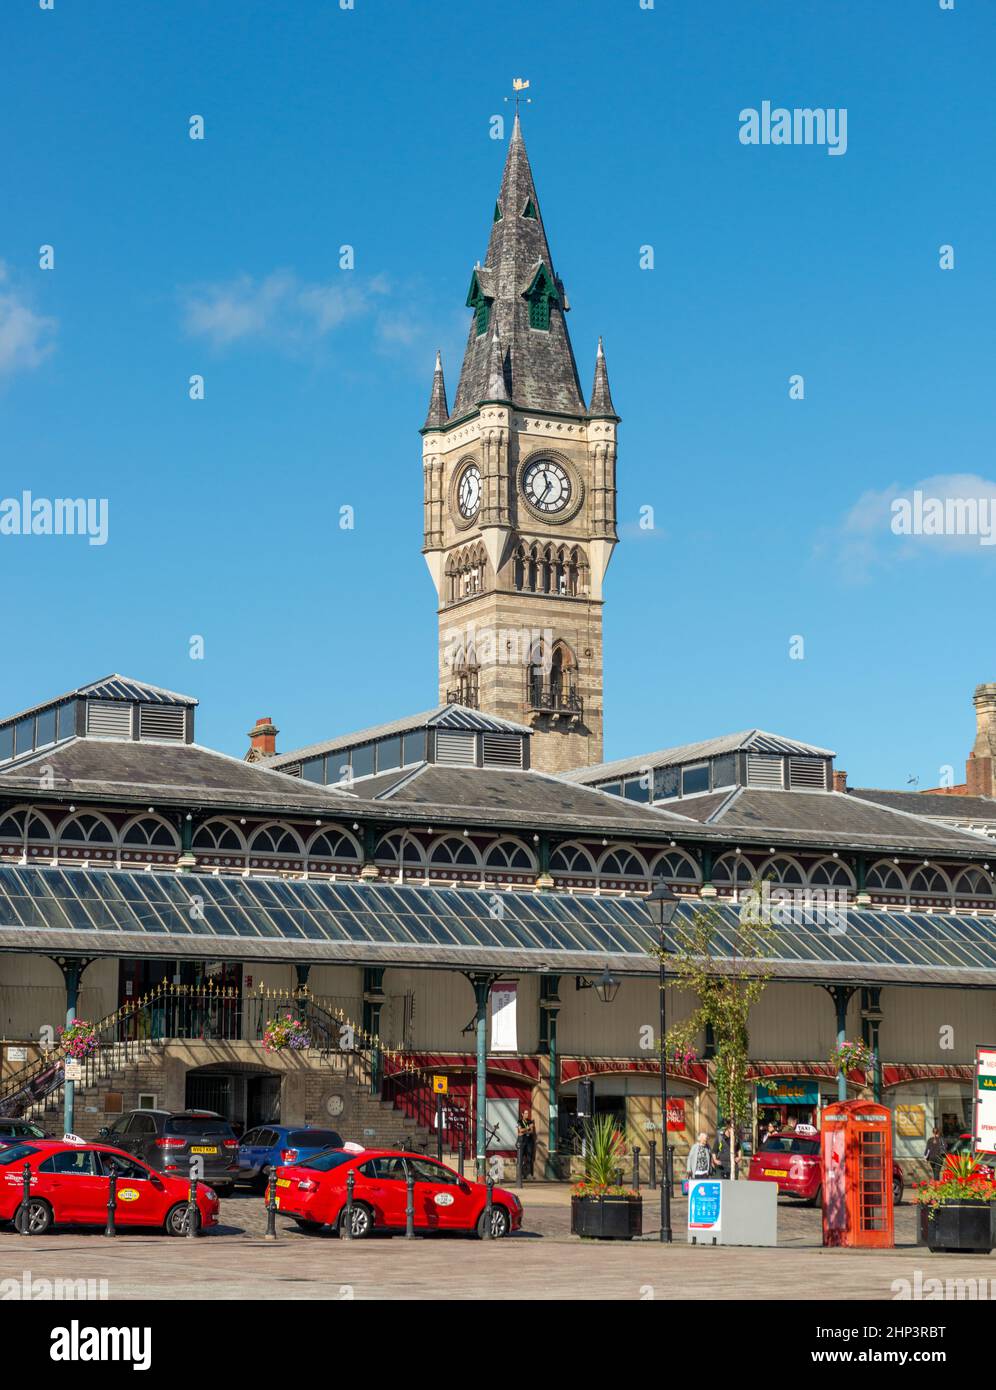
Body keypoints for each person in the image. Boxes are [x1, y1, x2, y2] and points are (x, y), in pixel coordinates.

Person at [517, 1107, 536, 1180]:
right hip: (522, 1142)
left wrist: (524, 1131)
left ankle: (528, 1174)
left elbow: (531, 1131)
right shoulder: (519, 1121)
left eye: (527, 1113)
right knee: (520, 1158)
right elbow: (520, 1130)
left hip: (529, 1142)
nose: (527, 1115)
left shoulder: (530, 1121)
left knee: (529, 1158)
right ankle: (520, 1174)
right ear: (522, 1114)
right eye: (525, 1113)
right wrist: (527, 1128)